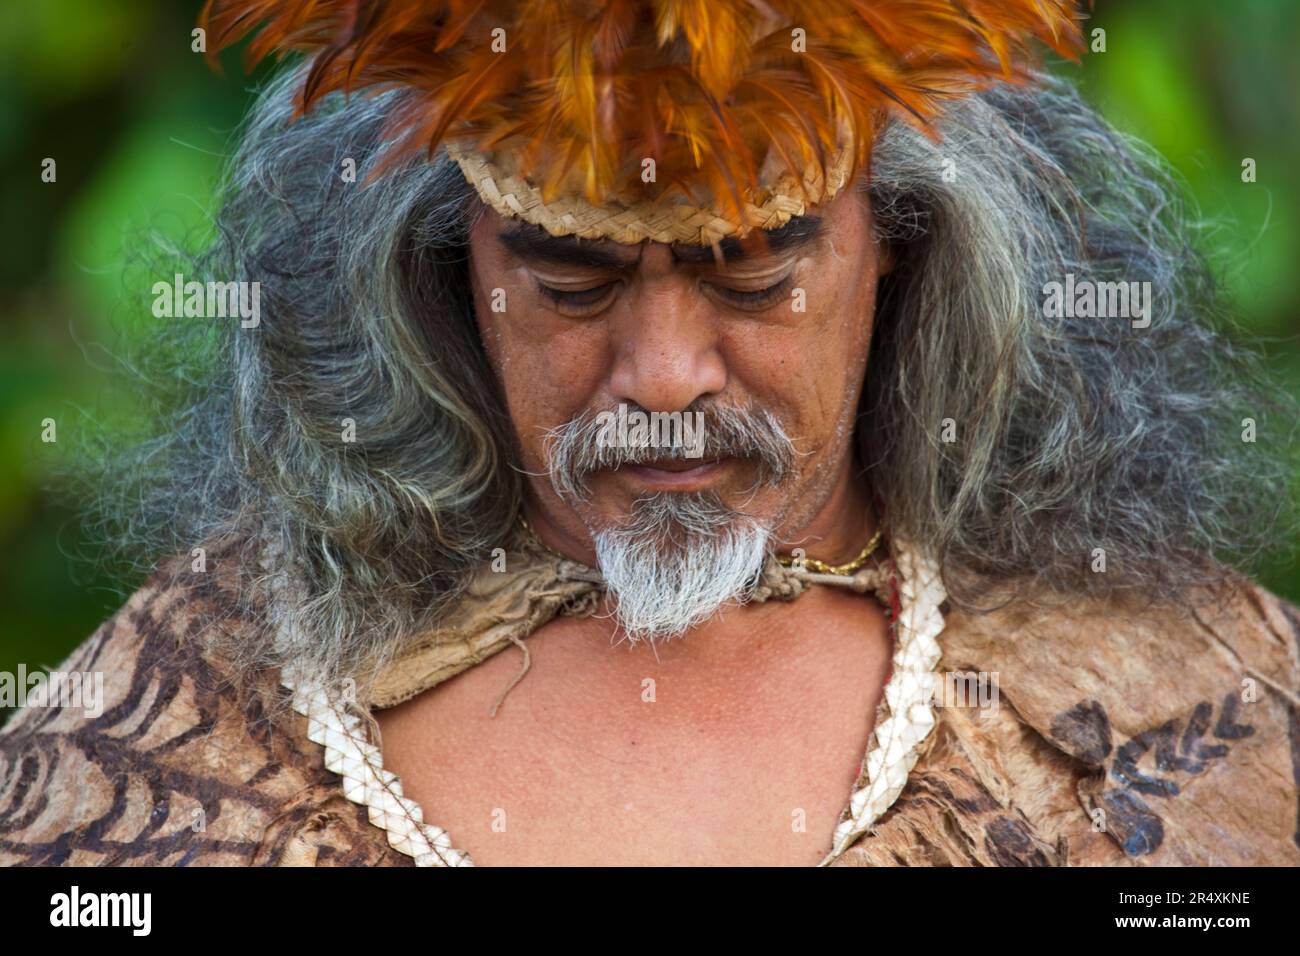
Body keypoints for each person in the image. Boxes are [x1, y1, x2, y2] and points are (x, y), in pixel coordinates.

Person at [2, 0, 1297, 867]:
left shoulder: (1199, 702)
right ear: (445, 266)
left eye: (753, 275)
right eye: (572, 281)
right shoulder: (176, 722)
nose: (665, 379)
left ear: (900, 247)